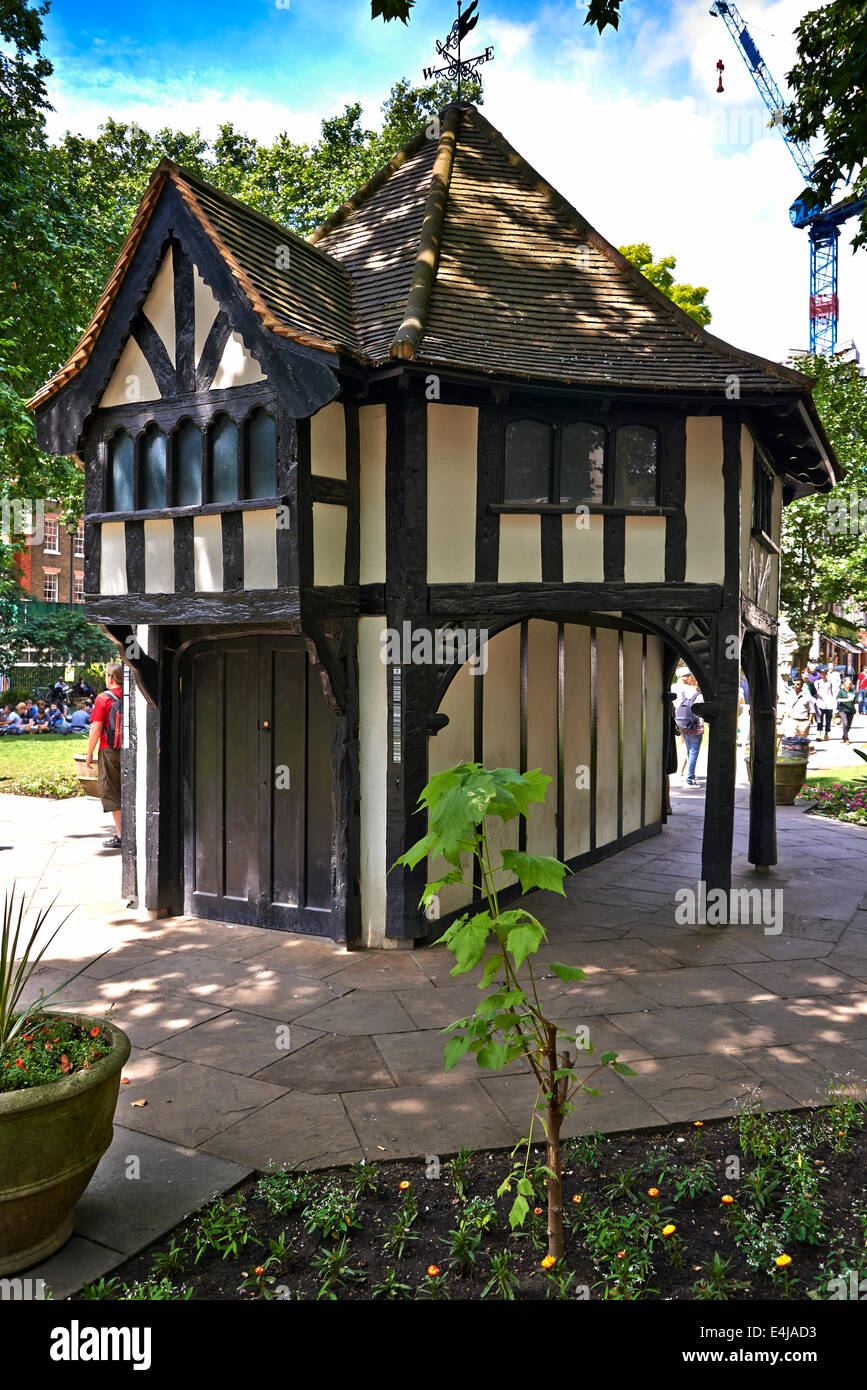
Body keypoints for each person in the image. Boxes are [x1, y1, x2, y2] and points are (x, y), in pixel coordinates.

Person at [85, 663, 124, 849]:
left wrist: (89, 753)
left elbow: (96, 728)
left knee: (110, 790)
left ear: (110, 678)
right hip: (129, 749)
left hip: (109, 749)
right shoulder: (130, 695)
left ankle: (121, 835)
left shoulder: (103, 698)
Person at [673, 669, 704, 787]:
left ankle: (686, 774)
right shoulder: (692, 690)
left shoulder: (673, 688)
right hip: (695, 725)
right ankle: (689, 779)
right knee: (693, 752)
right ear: (683, 677)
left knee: (688, 750)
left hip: (681, 724)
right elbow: (700, 707)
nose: (691, 677)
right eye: (689, 675)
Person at [815, 669, 835, 740]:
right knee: (820, 719)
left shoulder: (830, 682)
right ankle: (819, 733)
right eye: (822, 673)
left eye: (824, 673)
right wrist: (818, 694)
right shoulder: (817, 682)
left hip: (829, 703)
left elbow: (833, 693)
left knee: (828, 719)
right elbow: (815, 692)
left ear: (826, 674)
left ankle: (826, 733)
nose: (823, 675)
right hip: (820, 703)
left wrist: (834, 703)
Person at [837, 677, 857, 744]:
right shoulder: (841, 691)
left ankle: (844, 735)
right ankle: (846, 738)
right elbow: (838, 699)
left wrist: (858, 712)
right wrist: (847, 699)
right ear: (845, 683)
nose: (849, 684)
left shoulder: (853, 691)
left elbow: (856, 702)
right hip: (843, 710)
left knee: (849, 725)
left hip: (851, 710)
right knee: (845, 723)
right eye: (848, 683)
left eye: (850, 683)